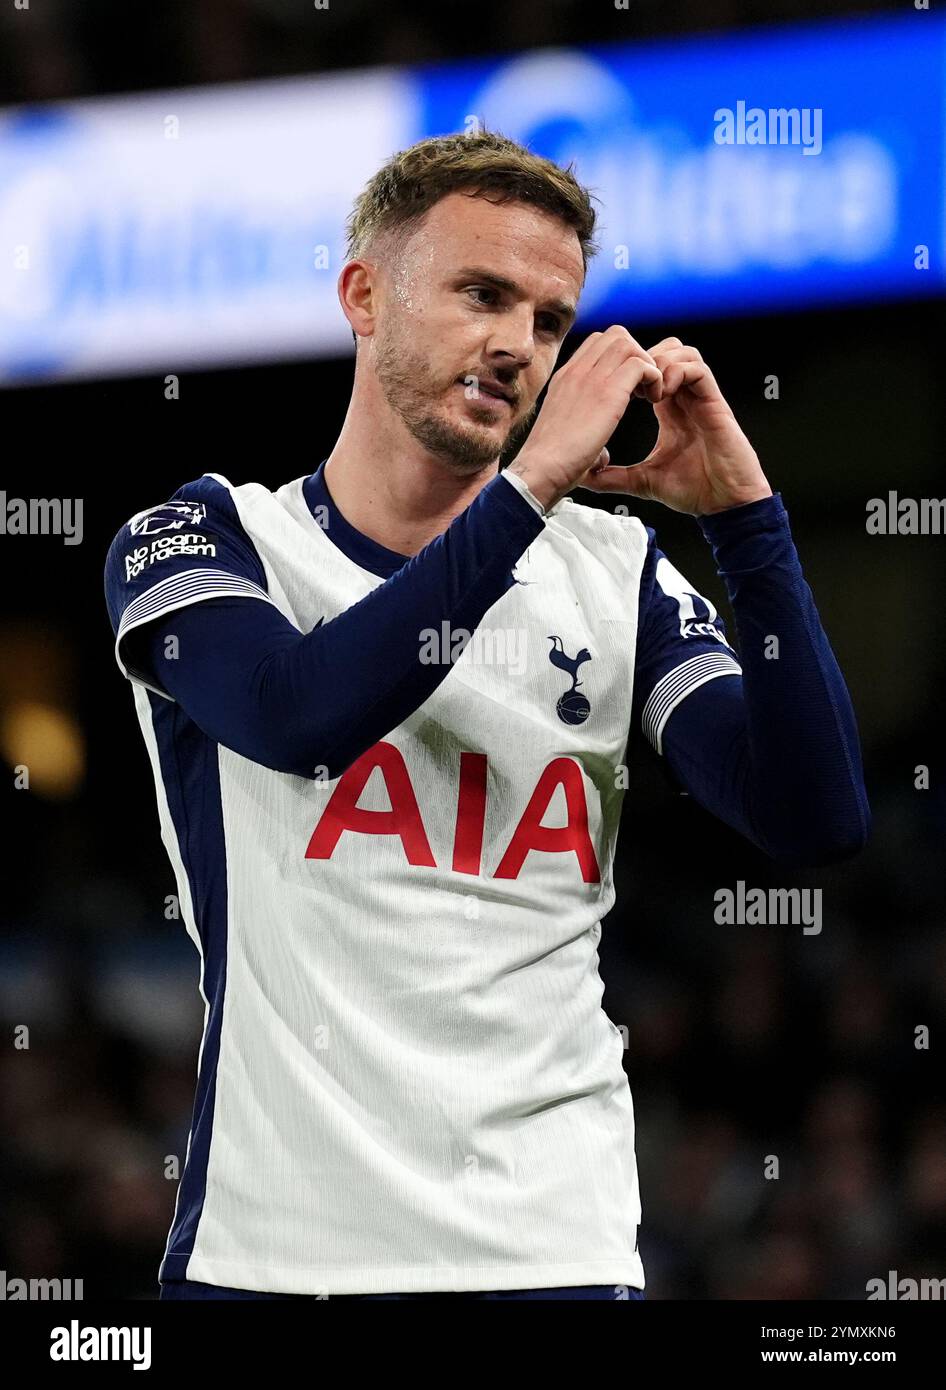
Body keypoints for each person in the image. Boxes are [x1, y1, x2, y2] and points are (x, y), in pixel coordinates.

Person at [104, 130, 870, 1301]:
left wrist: (748, 526)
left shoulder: (615, 576)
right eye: (481, 293)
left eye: (551, 319)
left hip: (550, 1254)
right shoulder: (210, 541)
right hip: (273, 1258)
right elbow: (298, 715)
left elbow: (809, 817)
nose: (517, 345)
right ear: (363, 294)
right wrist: (526, 492)